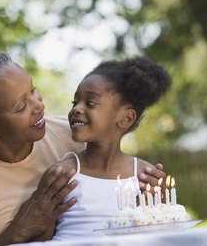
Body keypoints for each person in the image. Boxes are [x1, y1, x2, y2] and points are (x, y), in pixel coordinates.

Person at [0, 50, 166, 246]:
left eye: (32, 90)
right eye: (22, 105)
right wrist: (19, 230)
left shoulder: (75, 134)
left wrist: (147, 192)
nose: (38, 105)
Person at [52, 55, 172, 240]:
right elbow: (42, 236)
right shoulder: (63, 172)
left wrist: (159, 203)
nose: (77, 109)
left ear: (125, 118)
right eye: (75, 102)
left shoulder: (143, 176)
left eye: (90, 103)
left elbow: (160, 237)